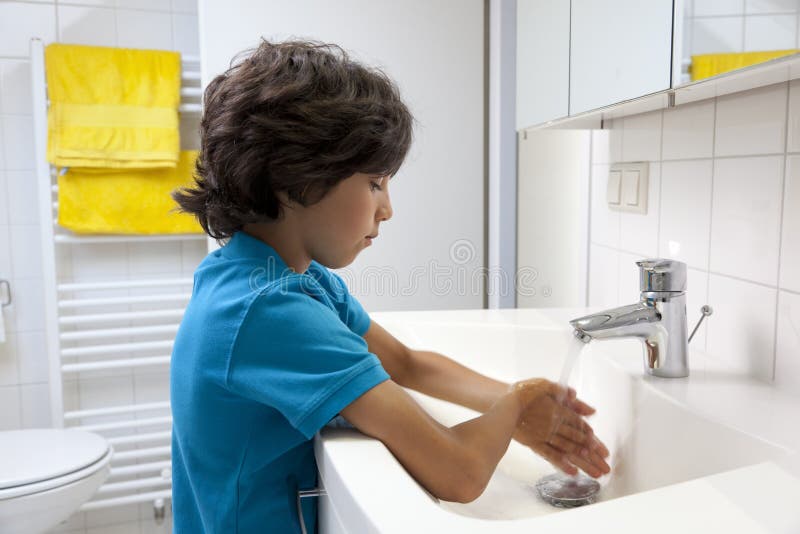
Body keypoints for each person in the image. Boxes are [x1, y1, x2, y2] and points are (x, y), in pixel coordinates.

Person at [170, 38, 610, 534]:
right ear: (297, 180)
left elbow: (405, 363)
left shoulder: (279, 277)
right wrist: (517, 404)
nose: (388, 208)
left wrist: (510, 401)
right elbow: (459, 472)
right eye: (375, 182)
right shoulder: (268, 311)